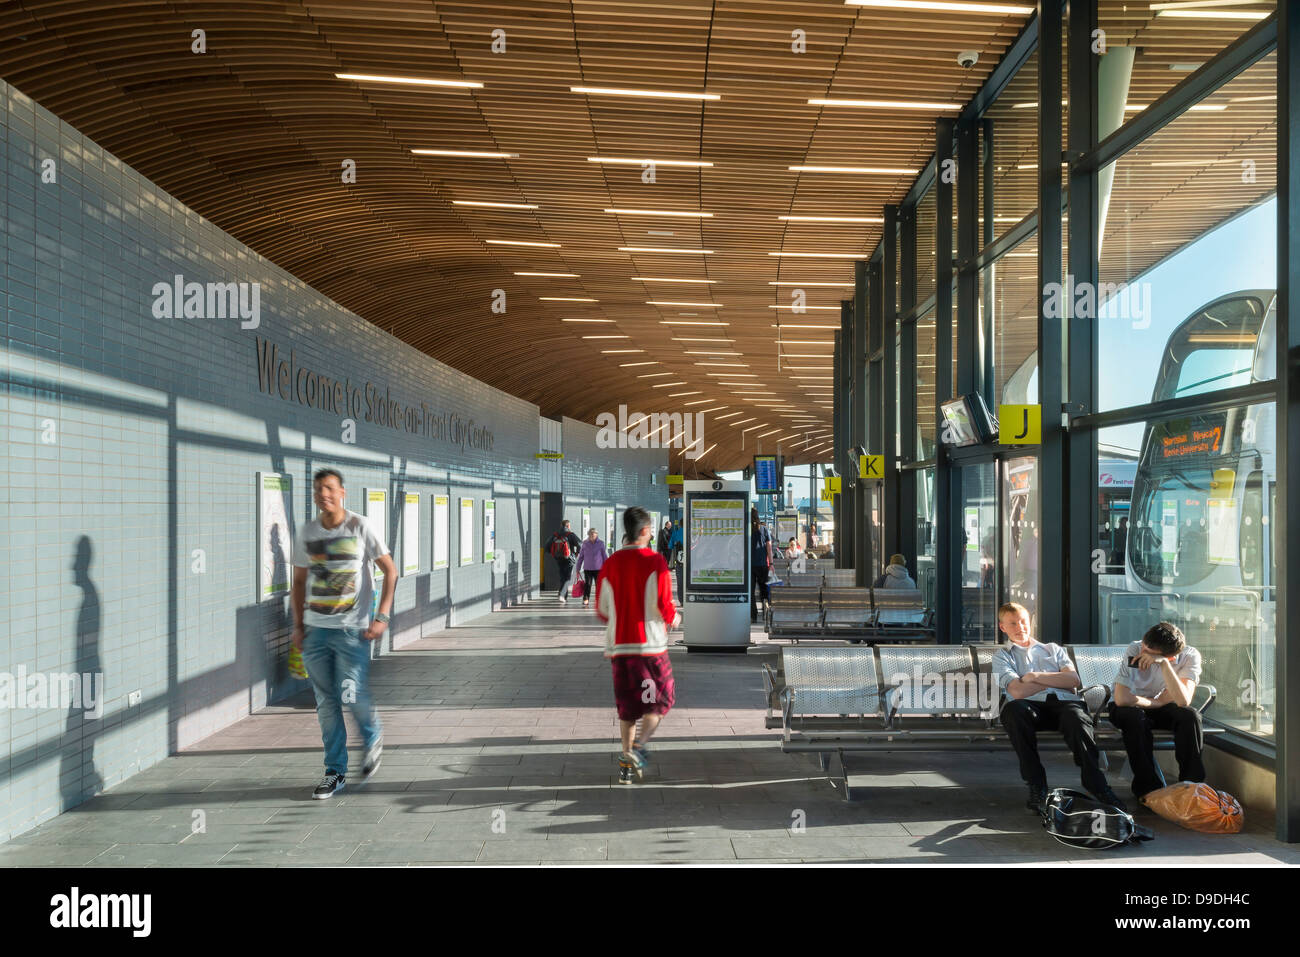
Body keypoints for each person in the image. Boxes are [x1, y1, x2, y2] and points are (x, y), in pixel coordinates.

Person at [291, 468, 396, 799]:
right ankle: (334, 772)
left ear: (342, 493)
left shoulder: (359, 526)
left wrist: (382, 616)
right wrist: (298, 624)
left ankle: (372, 735)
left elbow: (390, 572)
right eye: (318, 489)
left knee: (351, 694)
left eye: (329, 488)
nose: (323, 493)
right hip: (315, 631)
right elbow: (297, 582)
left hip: (352, 631)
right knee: (326, 703)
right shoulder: (307, 532)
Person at [992, 602, 1126, 813]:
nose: (1020, 627)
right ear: (1003, 627)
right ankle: (1037, 785)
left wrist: (1035, 677)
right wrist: (1055, 679)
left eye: (1024, 622)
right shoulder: (1003, 656)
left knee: (1077, 718)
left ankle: (1097, 785)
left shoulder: (1053, 650)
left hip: (1064, 704)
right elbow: (1016, 691)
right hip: (1030, 708)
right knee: (1013, 711)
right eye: (1013, 623)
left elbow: (1073, 680)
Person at [594, 506, 681, 784]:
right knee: (661, 701)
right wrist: (674, 618)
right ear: (644, 531)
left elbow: (602, 609)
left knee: (628, 708)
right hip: (650, 648)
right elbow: (664, 604)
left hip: (619, 649)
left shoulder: (610, 563)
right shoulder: (655, 562)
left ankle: (625, 767)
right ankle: (640, 748)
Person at [1108, 621, 1206, 802]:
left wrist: (1164, 666)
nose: (1143, 652)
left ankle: (1192, 787)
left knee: (1189, 716)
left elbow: (1183, 700)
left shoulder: (1189, 656)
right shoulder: (1134, 649)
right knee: (1135, 718)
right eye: (1145, 645)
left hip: (1153, 705)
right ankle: (1148, 790)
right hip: (1127, 708)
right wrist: (1158, 702)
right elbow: (1122, 699)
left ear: (1169, 656)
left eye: (1150, 653)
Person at [547, 519, 582, 603]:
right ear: (568, 526)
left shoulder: (555, 535)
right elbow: (580, 544)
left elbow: (547, 545)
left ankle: (561, 593)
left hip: (559, 559)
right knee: (567, 577)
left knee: (562, 576)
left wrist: (554, 554)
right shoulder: (570, 534)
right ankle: (562, 595)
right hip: (569, 559)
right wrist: (576, 553)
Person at [575, 526, 606, 609]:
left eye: (594, 534)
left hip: (598, 568)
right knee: (588, 584)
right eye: (591, 534)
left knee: (598, 585)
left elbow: (604, 556)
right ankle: (586, 598)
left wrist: (607, 567)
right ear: (588, 535)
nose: (592, 535)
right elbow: (581, 557)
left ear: (596, 535)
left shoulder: (601, 543)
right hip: (588, 568)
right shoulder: (585, 543)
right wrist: (578, 568)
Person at [750, 515, 773, 623]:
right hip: (762, 565)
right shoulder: (764, 529)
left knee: (751, 592)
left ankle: (753, 616)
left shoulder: (747, 528)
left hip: (749, 565)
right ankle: (765, 614)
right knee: (764, 591)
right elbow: (769, 547)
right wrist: (771, 563)